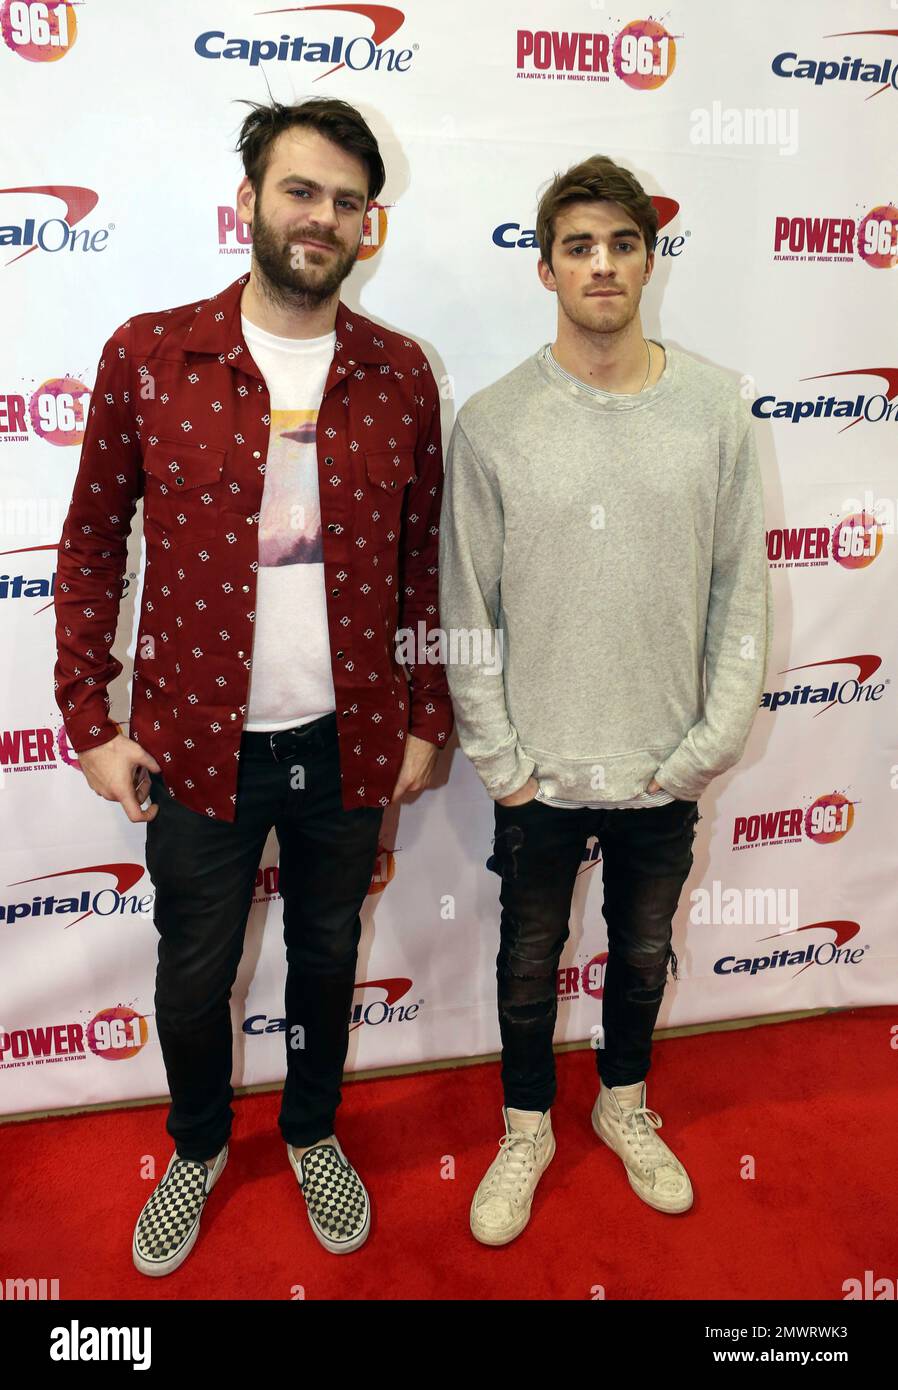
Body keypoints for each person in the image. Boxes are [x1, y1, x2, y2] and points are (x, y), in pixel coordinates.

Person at [53, 96, 452, 1273]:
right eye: (300, 190)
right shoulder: (149, 352)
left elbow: (418, 559)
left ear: (367, 224)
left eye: (344, 200)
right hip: (190, 741)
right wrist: (88, 717)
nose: (321, 217)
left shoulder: (397, 372)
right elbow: (87, 547)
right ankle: (194, 1143)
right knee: (193, 967)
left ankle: (315, 1126)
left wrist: (427, 713)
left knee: (329, 952)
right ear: (250, 204)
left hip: (345, 738)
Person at [439, 154, 772, 1246]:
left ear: (647, 260)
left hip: (661, 764)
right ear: (543, 269)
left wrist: (706, 746)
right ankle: (525, 1123)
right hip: (539, 770)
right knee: (526, 962)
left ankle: (623, 1101)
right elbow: (466, 604)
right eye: (578, 246)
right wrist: (503, 761)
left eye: (621, 244)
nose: (601, 265)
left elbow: (739, 590)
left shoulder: (714, 406)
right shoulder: (492, 422)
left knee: (640, 954)